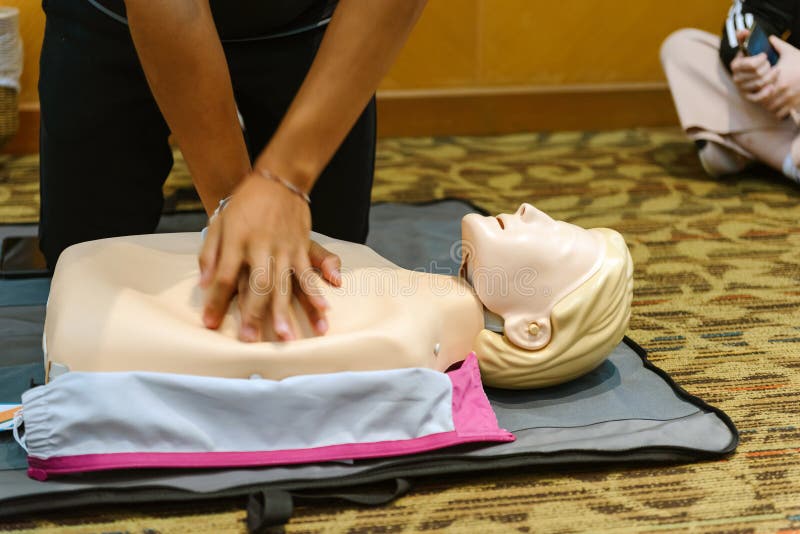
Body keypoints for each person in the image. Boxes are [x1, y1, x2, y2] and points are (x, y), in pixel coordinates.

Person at [38, 0, 426, 344]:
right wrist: (235, 205)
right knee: (82, 283)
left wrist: (285, 181)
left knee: (327, 291)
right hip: (112, 19)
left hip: (307, 23)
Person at [43, 203, 634, 390]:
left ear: (531, 329)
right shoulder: (404, 287)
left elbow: (250, 366)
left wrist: (91, 373)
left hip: (100, 326)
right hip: (107, 287)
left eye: (561, 236)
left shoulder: (408, 339)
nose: (534, 210)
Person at [660, 0, 800, 182]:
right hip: (787, 104)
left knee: (715, 149)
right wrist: (751, 65)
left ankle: (769, 153)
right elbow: (752, 16)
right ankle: (789, 158)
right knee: (682, 49)